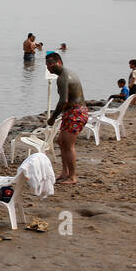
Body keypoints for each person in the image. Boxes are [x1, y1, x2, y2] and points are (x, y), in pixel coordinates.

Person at [45, 51, 87, 184]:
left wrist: (53, 117)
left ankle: (72, 176)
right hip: (72, 112)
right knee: (61, 141)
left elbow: (63, 101)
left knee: (69, 145)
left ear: (60, 62)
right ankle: (65, 172)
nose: (49, 67)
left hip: (76, 112)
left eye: (51, 64)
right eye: (47, 65)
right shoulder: (67, 73)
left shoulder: (63, 77)